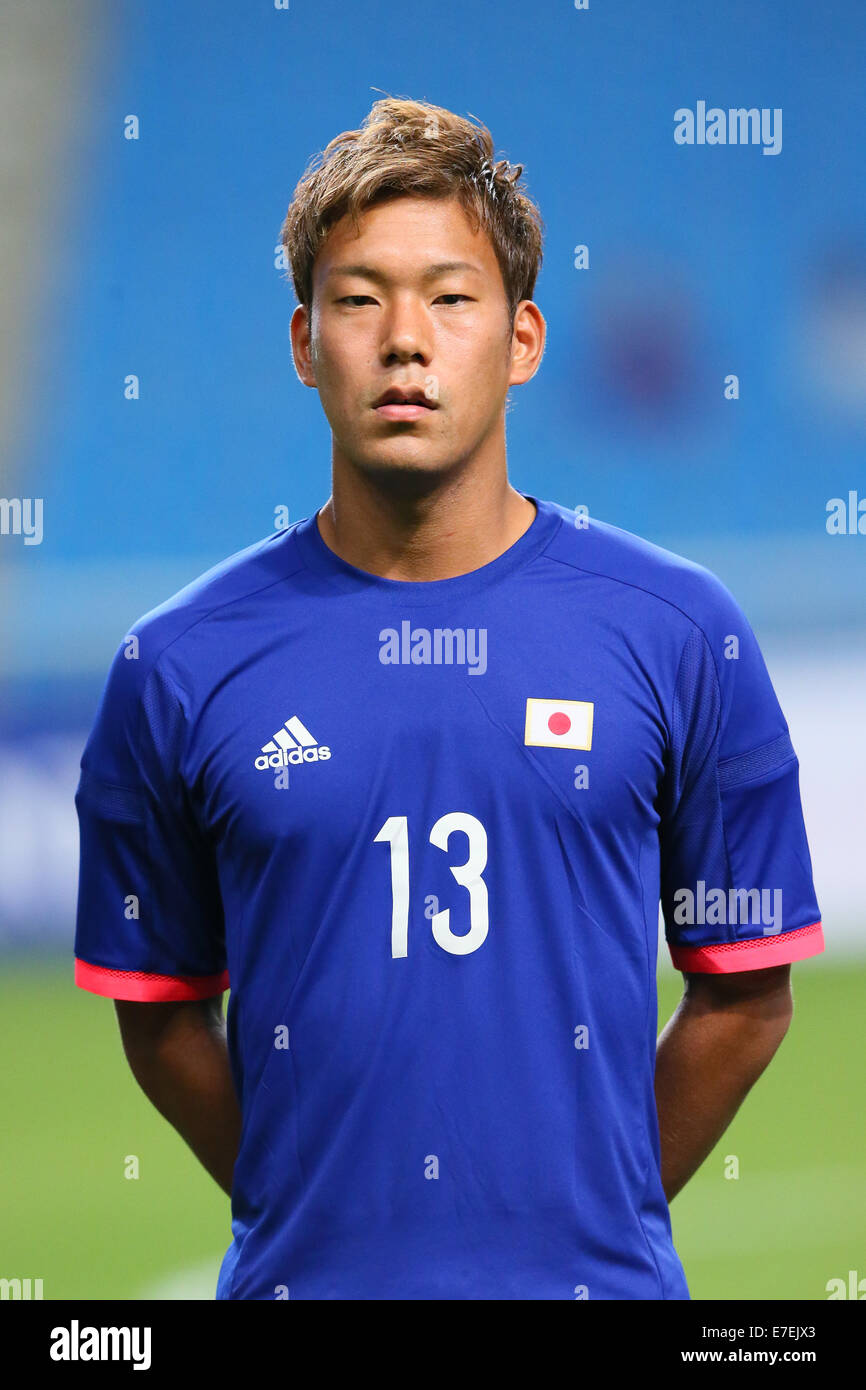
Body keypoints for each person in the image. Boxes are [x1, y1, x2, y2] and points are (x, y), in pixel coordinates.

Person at [73, 96, 823, 1300]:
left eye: (450, 298)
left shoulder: (680, 634)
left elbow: (744, 991)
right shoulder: (177, 664)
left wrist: (586, 1215)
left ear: (522, 339)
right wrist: (308, 1207)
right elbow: (161, 1016)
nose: (404, 339)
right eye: (358, 299)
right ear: (305, 343)